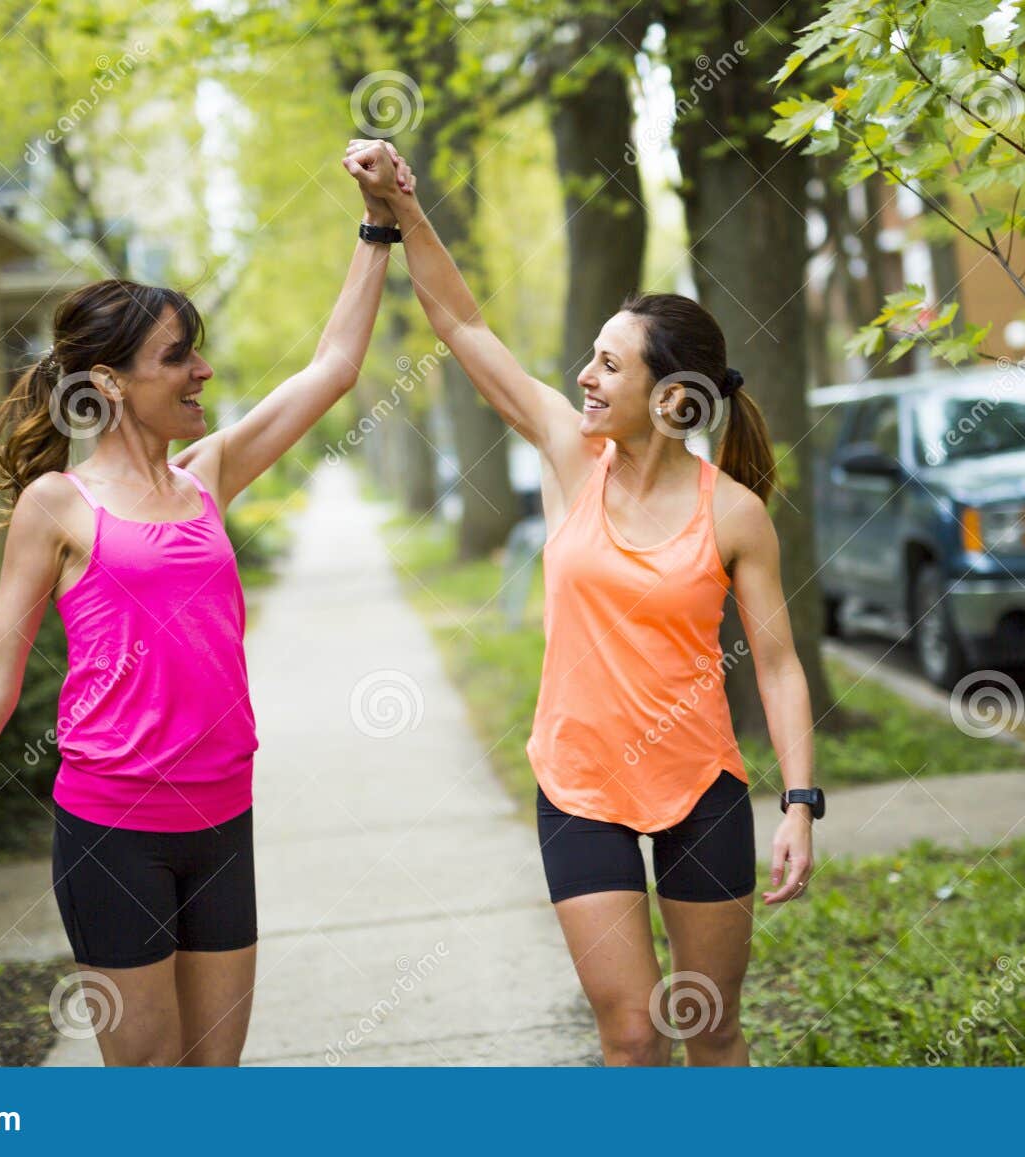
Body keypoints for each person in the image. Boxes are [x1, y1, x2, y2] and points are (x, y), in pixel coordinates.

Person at [0, 143, 413, 1066]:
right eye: (177, 357)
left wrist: (379, 223)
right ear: (109, 382)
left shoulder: (207, 475)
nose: (203, 372)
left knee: (212, 1080)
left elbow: (335, 366)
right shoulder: (58, 506)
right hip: (114, 829)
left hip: (222, 814)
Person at [346, 142, 821, 1066]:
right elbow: (462, 324)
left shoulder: (733, 513)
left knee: (710, 1024)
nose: (585, 378)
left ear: (671, 398)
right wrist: (403, 208)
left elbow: (777, 665)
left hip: (701, 787)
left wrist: (800, 803)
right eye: (591, 359)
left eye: (608, 365)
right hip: (579, 784)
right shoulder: (572, 456)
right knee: (632, 1031)